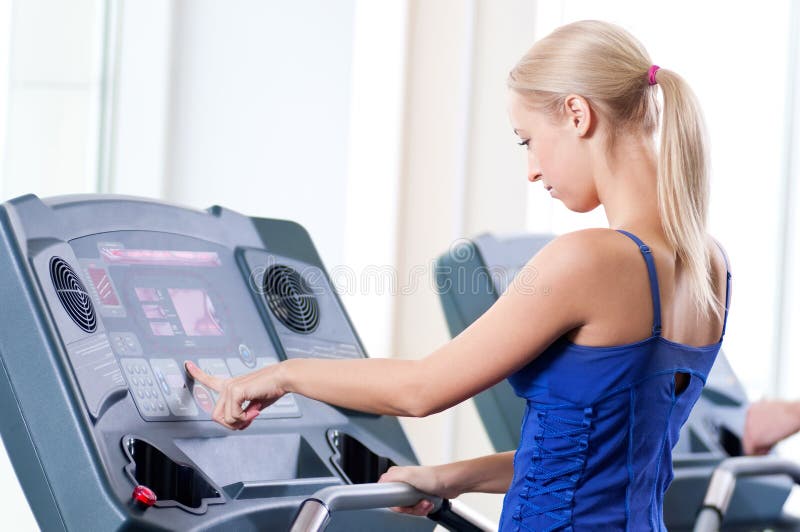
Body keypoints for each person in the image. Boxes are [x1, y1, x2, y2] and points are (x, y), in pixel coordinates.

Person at [186, 19, 732, 530]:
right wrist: (448, 478)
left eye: (527, 139)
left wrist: (283, 374)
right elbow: (592, 464)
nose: (532, 169)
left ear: (577, 113)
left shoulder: (590, 259)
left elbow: (419, 390)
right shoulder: (710, 264)